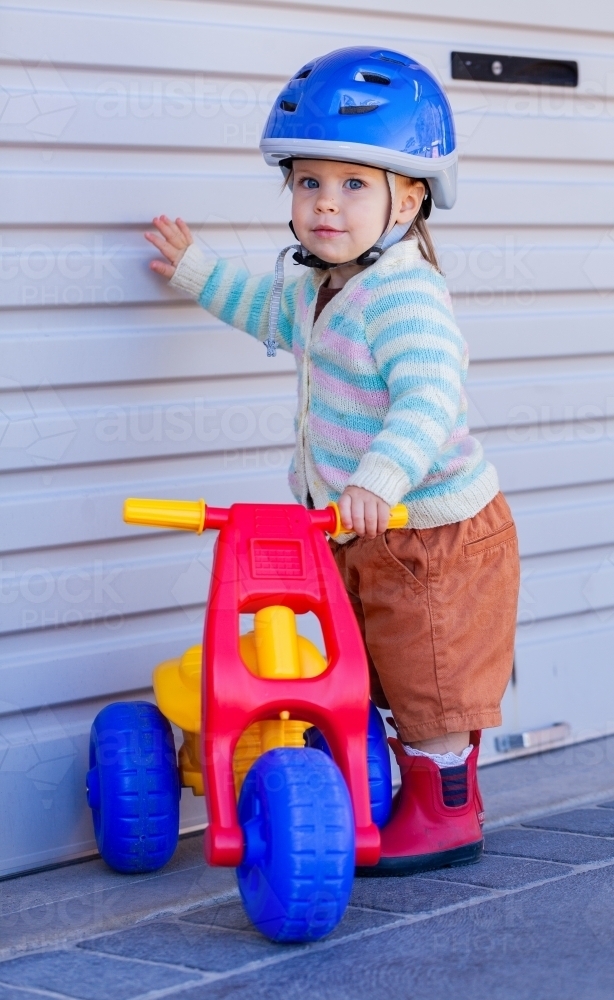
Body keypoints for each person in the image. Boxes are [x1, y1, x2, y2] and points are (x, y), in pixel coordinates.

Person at [145, 46, 520, 875]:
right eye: (308, 182)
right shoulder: (317, 283)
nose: (325, 204)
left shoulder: (403, 294)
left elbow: (429, 400)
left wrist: (376, 480)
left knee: (430, 680)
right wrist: (198, 272)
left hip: (431, 534)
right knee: (374, 671)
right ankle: (398, 782)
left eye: (354, 184)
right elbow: (260, 309)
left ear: (409, 197)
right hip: (359, 528)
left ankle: (448, 813)